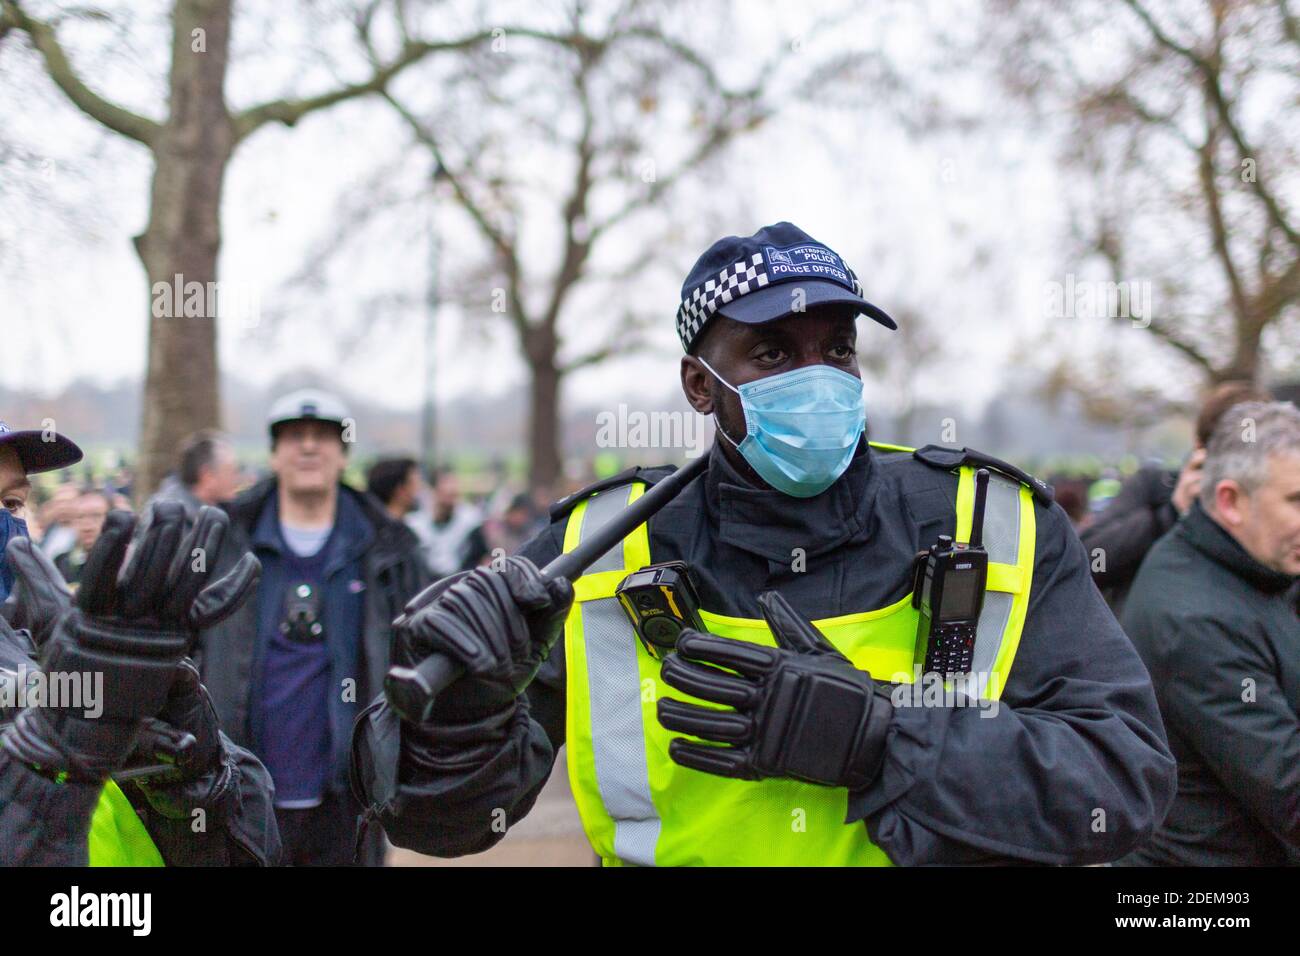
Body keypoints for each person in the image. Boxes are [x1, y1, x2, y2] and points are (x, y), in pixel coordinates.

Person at [352, 221, 1176, 866]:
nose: (817, 377)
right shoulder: (599, 549)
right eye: (774, 352)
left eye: (838, 349)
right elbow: (440, 827)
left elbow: (1124, 779)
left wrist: (885, 739)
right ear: (699, 385)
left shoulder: (995, 525)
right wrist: (463, 719)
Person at [0, 420, 279, 865]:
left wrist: (189, 766)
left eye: (12, 502)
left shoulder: (55, 649)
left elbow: (248, 850)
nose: (7, 522)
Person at [196, 389, 428, 866]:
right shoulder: (222, 540)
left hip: (350, 802)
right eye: (294, 436)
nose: (307, 447)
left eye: (323, 437)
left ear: (344, 455)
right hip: (239, 792)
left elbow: (419, 658)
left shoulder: (390, 549)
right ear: (274, 454)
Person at [1118, 401, 1300, 865]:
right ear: (1230, 501)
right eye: (1296, 501)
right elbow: (1290, 792)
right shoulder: (1194, 619)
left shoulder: (1251, 564)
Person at [1082, 381, 1270, 616]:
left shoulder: (1275, 505)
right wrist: (1172, 511)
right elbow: (1091, 560)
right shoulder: (1155, 487)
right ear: (1201, 448)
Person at [153, 429, 241, 517]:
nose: (237, 479)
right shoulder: (169, 520)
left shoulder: (219, 510)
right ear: (208, 476)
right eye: (230, 471)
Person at [421, 469, 490, 577]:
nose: (450, 499)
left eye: (454, 495)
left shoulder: (470, 521)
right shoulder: (416, 523)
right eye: (446, 493)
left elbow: (483, 557)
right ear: (434, 491)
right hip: (426, 587)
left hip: (461, 583)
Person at [53, 487, 111, 587]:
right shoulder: (62, 563)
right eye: (80, 517)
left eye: (96, 516)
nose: (87, 526)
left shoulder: (124, 563)